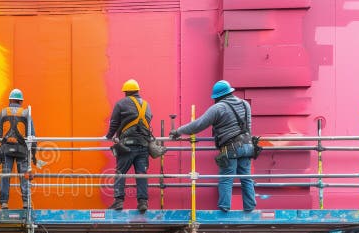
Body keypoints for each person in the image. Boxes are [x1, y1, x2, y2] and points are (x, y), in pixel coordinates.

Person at [170, 80, 256, 212]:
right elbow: (248, 127)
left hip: (231, 148)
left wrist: (178, 131)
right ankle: (250, 207)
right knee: (246, 178)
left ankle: (224, 208)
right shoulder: (245, 104)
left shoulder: (218, 108)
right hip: (248, 146)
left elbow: (198, 125)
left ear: (217, 96)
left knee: (226, 178)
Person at [105, 79, 153, 213]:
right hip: (143, 145)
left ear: (126, 92)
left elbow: (114, 122)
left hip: (127, 146)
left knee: (121, 172)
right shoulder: (147, 105)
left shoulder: (121, 103)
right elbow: (149, 120)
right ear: (137, 91)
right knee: (141, 174)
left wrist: (109, 136)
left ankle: (119, 202)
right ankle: (143, 202)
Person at [0, 88, 37, 209]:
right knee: (24, 175)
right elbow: (32, 135)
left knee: (5, 175)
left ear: (10, 100)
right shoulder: (25, 113)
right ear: (20, 101)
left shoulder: (3, 112)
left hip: (6, 149)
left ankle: (4, 202)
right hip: (22, 150)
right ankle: (25, 201)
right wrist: (33, 154)